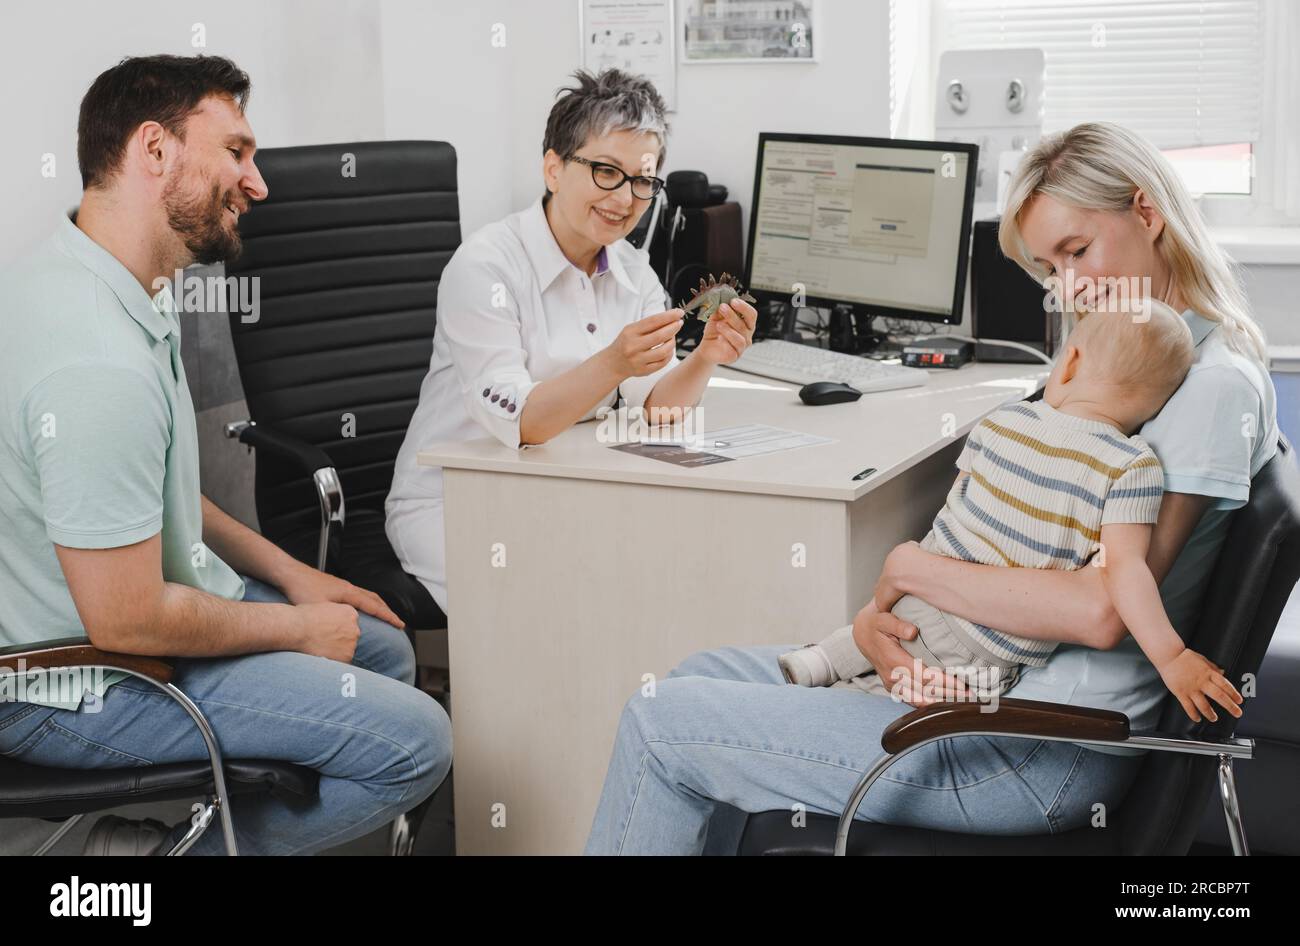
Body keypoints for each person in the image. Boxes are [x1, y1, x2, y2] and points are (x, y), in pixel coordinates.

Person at [585, 121, 1278, 855]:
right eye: (1052, 267)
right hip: (974, 688)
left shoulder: (1210, 389)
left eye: (1077, 251)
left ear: (1146, 212)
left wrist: (915, 572)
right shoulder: (1132, 357)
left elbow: (1106, 610)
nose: (1069, 287)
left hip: (1031, 743)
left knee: (662, 723)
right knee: (698, 678)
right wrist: (893, 631)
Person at [0, 55, 450, 855]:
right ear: (154, 150)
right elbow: (126, 617)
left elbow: (156, 493)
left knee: (379, 645)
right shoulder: (96, 362)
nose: (259, 182)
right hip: (76, 679)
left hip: (118, 624)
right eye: (237, 152)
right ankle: (137, 876)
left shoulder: (114, 281)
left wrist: (293, 577)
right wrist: (294, 632)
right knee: (419, 743)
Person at [385, 68, 757, 615]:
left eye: (643, 180)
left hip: (565, 492)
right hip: (456, 502)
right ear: (553, 167)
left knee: (676, 567)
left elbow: (655, 408)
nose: (626, 198)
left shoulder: (633, 270)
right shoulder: (485, 268)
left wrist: (706, 358)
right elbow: (526, 423)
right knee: (573, 598)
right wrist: (612, 363)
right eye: (606, 171)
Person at [779, 299, 1244, 726]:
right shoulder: (1131, 465)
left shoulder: (1002, 420)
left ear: (1070, 364)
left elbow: (952, 514)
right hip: (986, 648)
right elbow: (1126, 572)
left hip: (915, 599)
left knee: (884, 642)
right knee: (913, 693)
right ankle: (831, 693)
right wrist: (1171, 657)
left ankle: (821, 661)